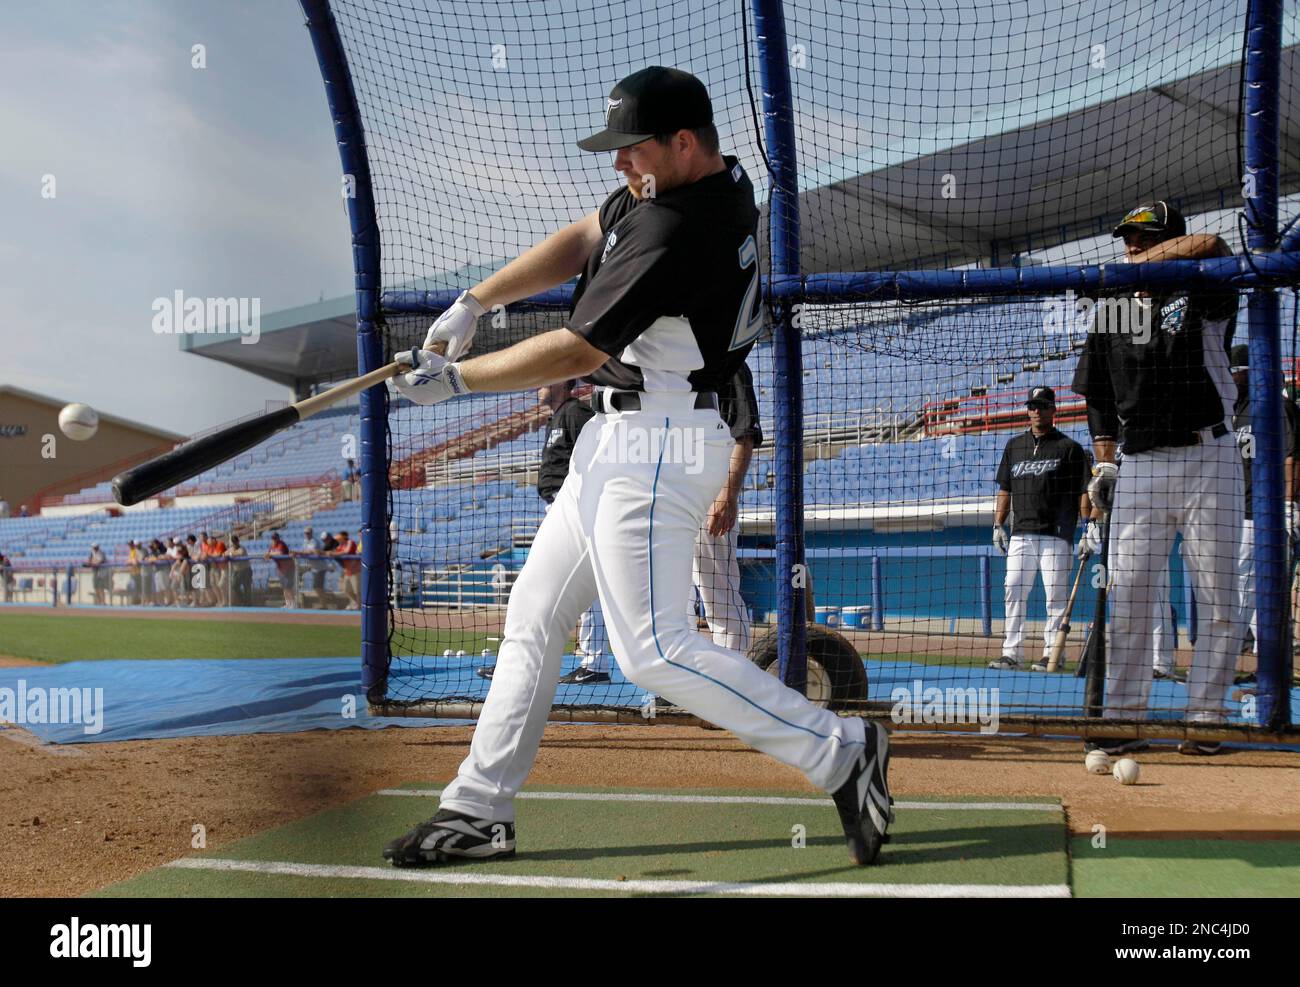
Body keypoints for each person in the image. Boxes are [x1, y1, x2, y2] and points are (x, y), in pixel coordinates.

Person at [381, 66, 889, 867]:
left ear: (684, 143)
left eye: (633, 151)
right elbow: (586, 233)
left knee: (653, 649)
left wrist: (459, 380)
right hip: (614, 443)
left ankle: (843, 749)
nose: (620, 167)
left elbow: (582, 348)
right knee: (536, 621)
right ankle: (479, 808)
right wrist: (476, 301)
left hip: (662, 440)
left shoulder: (680, 226)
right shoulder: (679, 186)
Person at [1072, 200, 1242, 756]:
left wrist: (1146, 267)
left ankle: (1206, 720)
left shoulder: (1202, 286)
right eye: (1127, 239)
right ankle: (1123, 720)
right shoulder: (1116, 306)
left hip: (1207, 454)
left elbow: (1214, 243)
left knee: (1217, 599)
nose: (1131, 247)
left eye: (1144, 238)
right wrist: (1103, 462)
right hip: (1141, 463)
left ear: (1170, 239)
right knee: (1129, 597)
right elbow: (1098, 393)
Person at [479, 381, 612, 683]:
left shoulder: (577, 412)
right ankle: (589, 664)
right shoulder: (558, 416)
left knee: (542, 587)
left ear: (563, 382)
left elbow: (599, 457)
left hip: (573, 509)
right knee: (553, 590)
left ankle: (587, 664)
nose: (538, 385)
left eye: (545, 380)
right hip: (558, 509)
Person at [988, 386, 1090, 671]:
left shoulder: (1070, 448)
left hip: (1057, 534)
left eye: (1042, 406)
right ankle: (1012, 653)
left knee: (1056, 597)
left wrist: (1088, 526)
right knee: (1013, 589)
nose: (1036, 411)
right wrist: (998, 524)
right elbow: (1005, 489)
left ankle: (1052, 655)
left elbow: (1083, 490)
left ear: (1053, 410)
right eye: (1032, 406)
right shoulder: (1014, 445)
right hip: (1021, 532)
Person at [1227, 344, 1298, 663]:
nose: (1231, 378)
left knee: (1259, 585)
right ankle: (1263, 660)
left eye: (1235, 371)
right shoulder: (1233, 410)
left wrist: (1288, 503)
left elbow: (1292, 454)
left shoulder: (1274, 405)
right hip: (1236, 511)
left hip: (1267, 512)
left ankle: (1256, 660)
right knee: (1250, 588)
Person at [297, 526, 327, 609]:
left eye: (308, 533)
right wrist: (301, 552)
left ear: (311, 533)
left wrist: (301, 552)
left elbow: (310, 551)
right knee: (318, 587)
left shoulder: (314, 541)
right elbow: (304, 551)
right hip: (314, 567)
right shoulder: (305, 541)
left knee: (318, 587)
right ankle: (323, 604)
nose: (307, 534)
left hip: (320, 567)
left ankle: (324, 605)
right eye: (306, 533)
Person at [265, 532, 295, 608]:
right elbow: (267, 554)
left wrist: (270, 554)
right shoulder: (272, 546)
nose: (274, 540)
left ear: (278, 538)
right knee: (284, 587)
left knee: (288, 586)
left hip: (288, 567)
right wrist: (267, 555)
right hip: (281, 568)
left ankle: (293, 603)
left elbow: (280, 553)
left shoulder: (281, 543)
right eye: (273, 538)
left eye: (275, 538)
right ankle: (288, 603)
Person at [333, 530, 360, 610]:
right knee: (346, 589)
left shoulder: (350, 542)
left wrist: (335, 553)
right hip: (347, 570)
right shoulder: (340, 545)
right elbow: (334, 552)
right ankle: (356, 603)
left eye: (339, 539)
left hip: (355, 570)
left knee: (357, 590)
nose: (338, 540)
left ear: (343, 537)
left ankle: (359, 606)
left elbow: (347, 551)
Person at [227, 534, 252, 606]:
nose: (235, 543)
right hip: (237, 571)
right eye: (233, 542)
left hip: (246, 570)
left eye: (236, 542)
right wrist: (229, 553)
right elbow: (224, 554)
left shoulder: (242, 548)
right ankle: (242, 600)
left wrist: (231, 553)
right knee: (234, 586)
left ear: (238, 541)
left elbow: (240, 553)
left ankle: (248, 603)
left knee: (247, 587)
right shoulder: (231, 548)